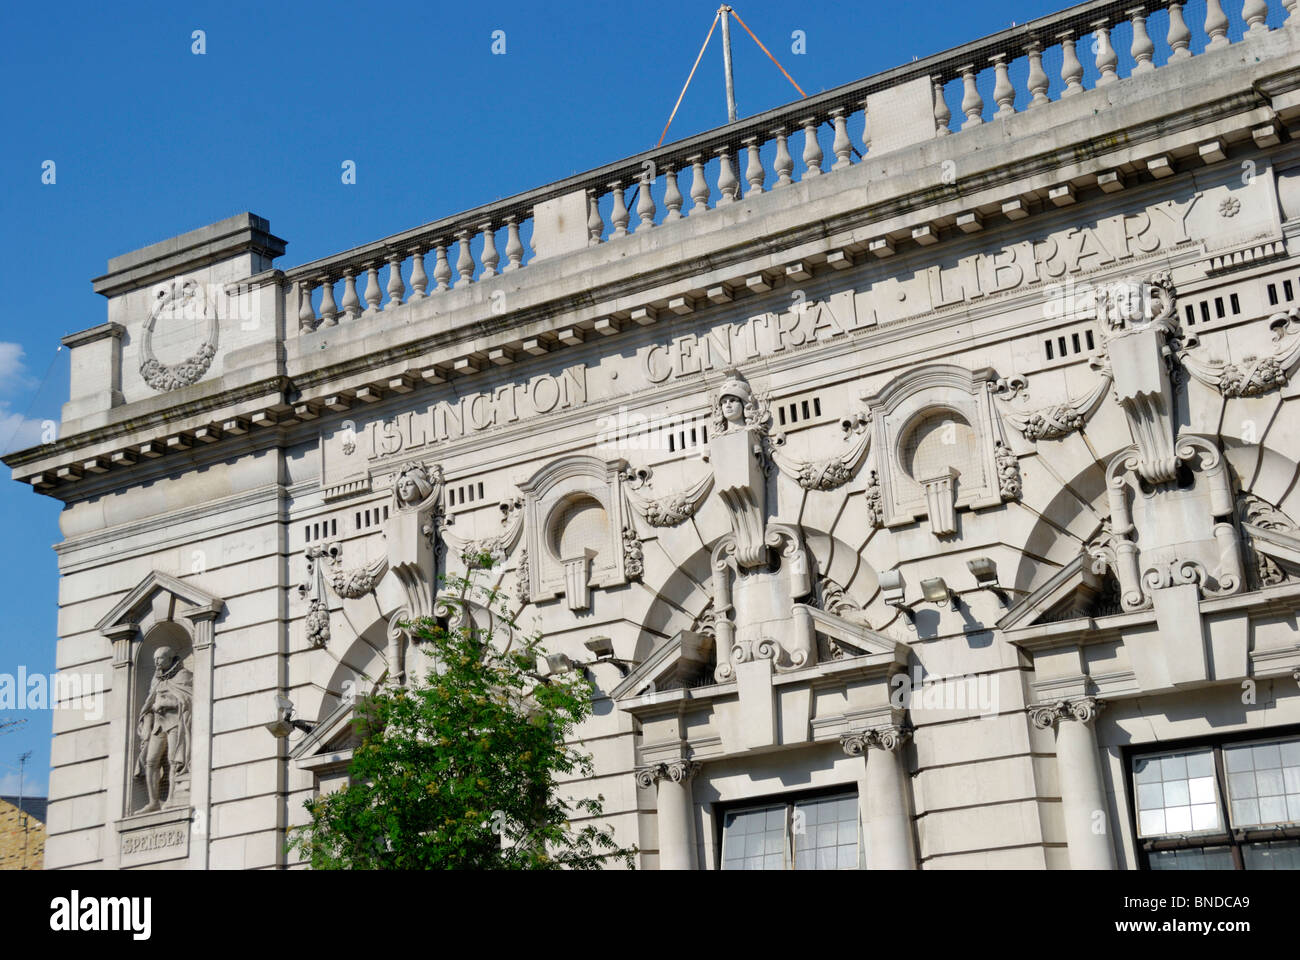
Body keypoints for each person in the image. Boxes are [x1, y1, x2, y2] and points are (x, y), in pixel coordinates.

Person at [135, 646, 193, 813]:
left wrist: (166, 703)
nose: (156, 662)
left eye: (160, 658)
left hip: (176, 724)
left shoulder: (184, 676)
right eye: (154, 659)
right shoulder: (157, 680)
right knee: (151, 761)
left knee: (173, 761)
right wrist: (149, 714)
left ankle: (171, 798)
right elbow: (149, 702)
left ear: (170, 658)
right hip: (158, 726)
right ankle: (153, 802)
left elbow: (189, 700)